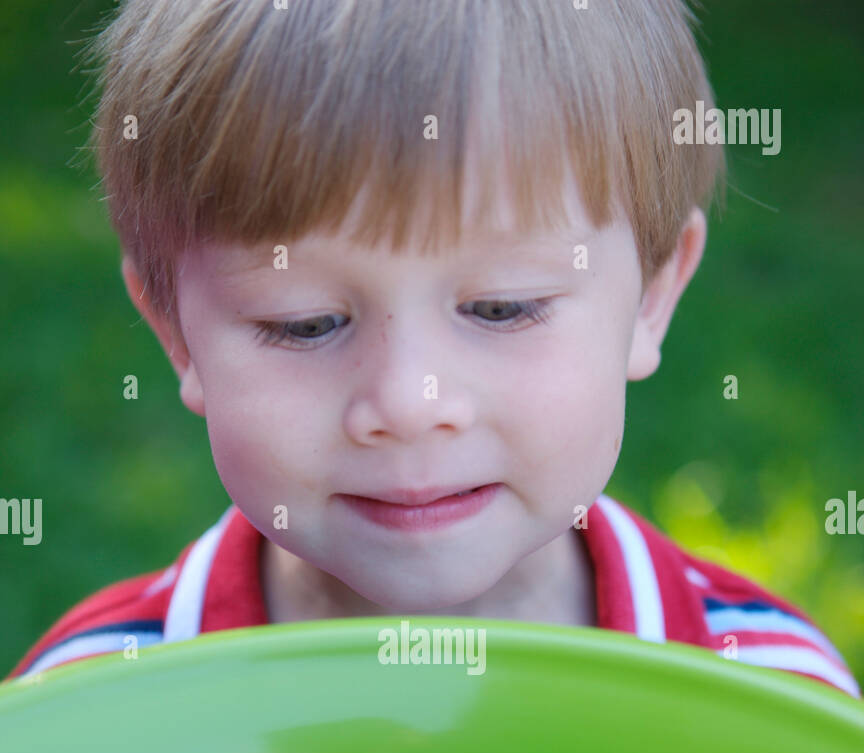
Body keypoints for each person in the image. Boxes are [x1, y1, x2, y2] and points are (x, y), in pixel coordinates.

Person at [7, 0, 858, 697]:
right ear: (174, 332)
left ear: (655, 295)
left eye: (501, 307)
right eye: (304, 323)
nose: (409, 404)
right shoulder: (90, 711)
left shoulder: (772, 695)